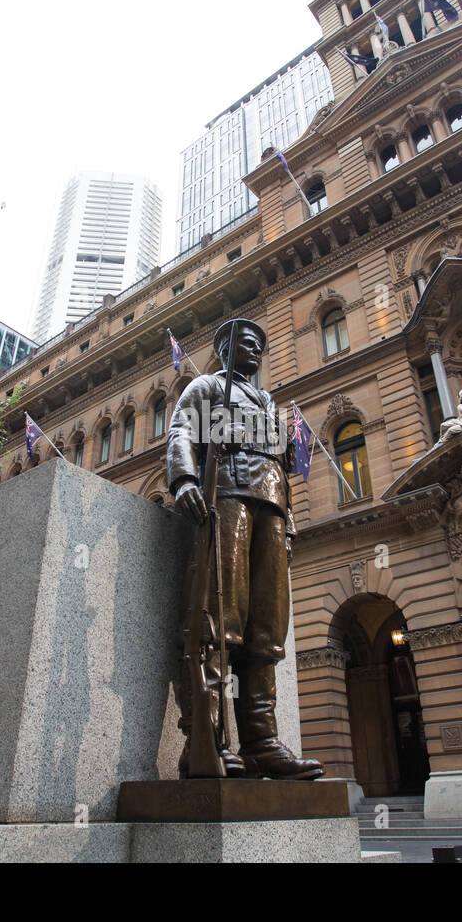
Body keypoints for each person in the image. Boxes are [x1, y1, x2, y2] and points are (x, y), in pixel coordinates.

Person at [167, 318, 324, 780]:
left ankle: (262, 742)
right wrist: (183, 481)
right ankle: (208, 738)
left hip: (271, 508)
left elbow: (279, 466)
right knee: (220, 618)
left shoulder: (269, 403)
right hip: (228, 498)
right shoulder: (205, 387)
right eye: (244, 343)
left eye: (259, 345)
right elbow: (179, 432)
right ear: (224, 348)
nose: (254, 350)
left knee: (267, 628)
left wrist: (288, 525)